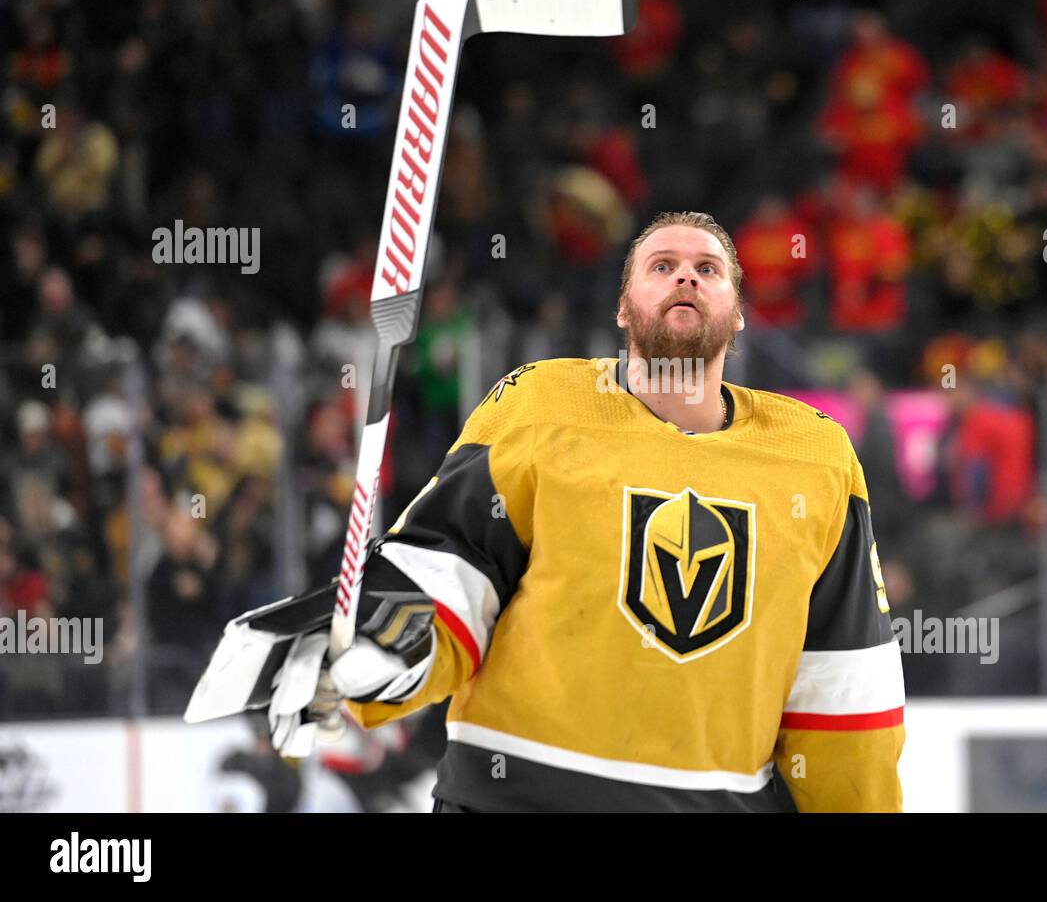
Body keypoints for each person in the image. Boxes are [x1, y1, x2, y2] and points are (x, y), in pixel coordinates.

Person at [188, 211, 905, 812]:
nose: (686, 275)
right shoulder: (540, 404)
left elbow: (843, 693)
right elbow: (451, 577)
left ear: (740, 314)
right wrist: (370, 652)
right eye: (661, 265)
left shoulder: (816, 456)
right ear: (623, 308)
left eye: (708, 268)